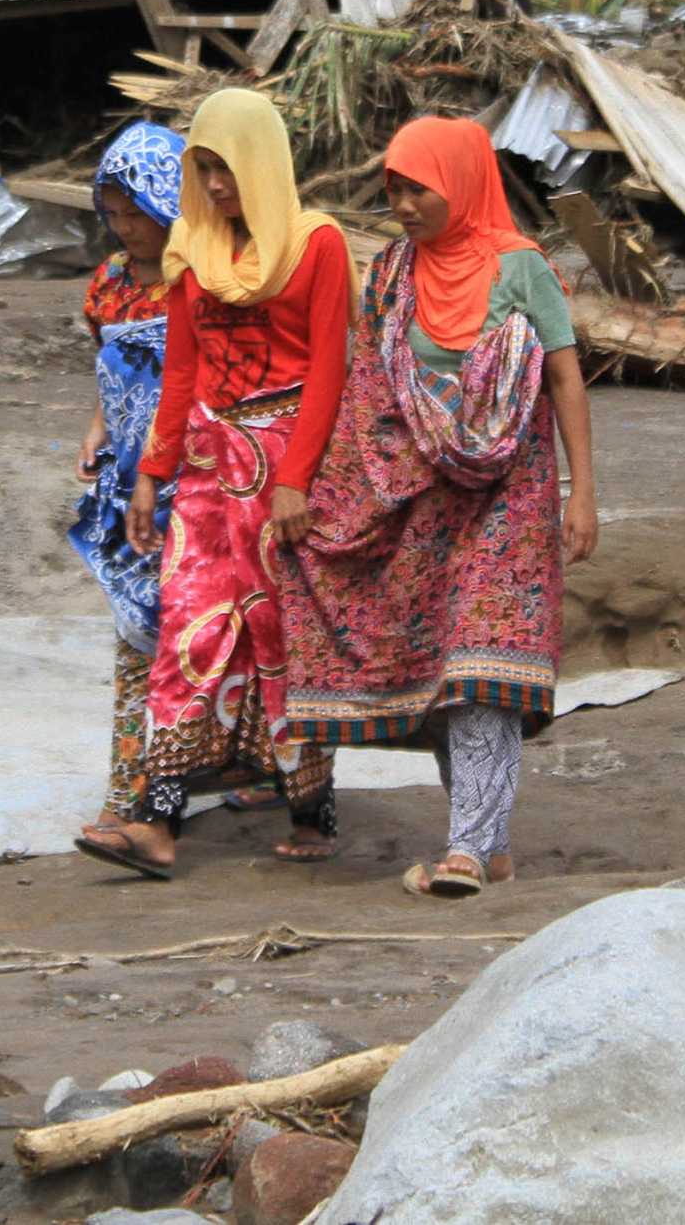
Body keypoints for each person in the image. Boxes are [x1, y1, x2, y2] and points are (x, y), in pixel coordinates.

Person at [272, 116, 600, 898]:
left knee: (487, 662)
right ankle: (487, 841)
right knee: (449, 671)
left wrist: (580, 489)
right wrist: (321, 494)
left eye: (418, 186)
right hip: (423, 505)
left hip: (509, 501)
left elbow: (564, 380)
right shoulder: (390, 275)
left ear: (460, 180)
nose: (404, 203)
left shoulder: (524, 269)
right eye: (394, 189)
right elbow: (367, 394)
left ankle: (464, 847)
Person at [79, 88, 352, 880]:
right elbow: (184, 371)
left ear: (260, 159)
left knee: (279, 638)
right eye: (202, 168)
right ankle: (157, 822)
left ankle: (311, 804)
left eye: (225, 167)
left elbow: (331, 368)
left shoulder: (317, 244)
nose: (216, 184)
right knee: (183, 630)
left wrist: (297, 479)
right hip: (204, 462)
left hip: (285, 460)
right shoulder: (192, 250)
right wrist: (151, 474)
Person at [60, 123, 186, 840]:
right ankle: (129, 793)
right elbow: (110, 373)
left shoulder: (204, 280)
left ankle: (261, 776)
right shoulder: (107, 283)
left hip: (196, 484)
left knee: (213, 633)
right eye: (113, 211)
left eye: (137, 209)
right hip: (129, 490)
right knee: (136, 632)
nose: (126, 226)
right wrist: (98, 429)